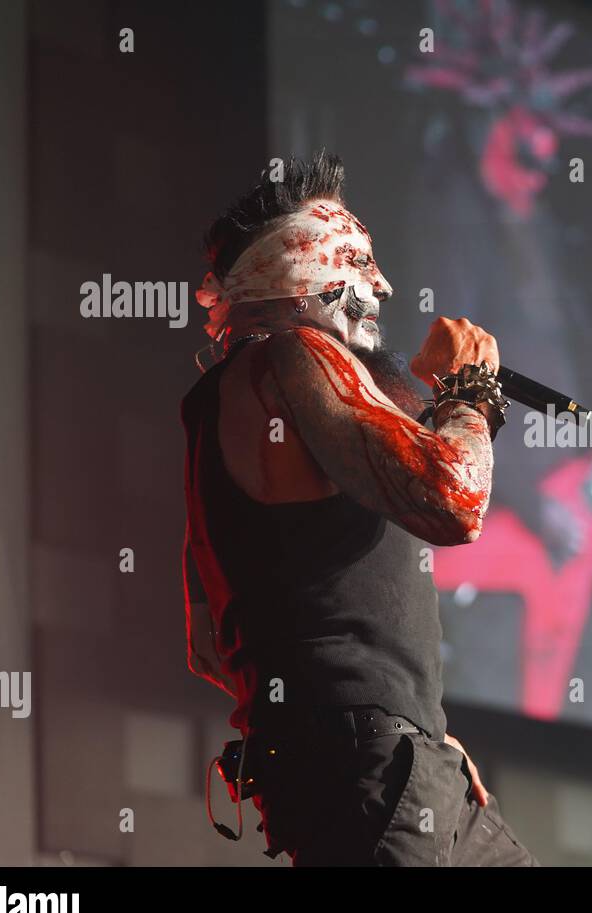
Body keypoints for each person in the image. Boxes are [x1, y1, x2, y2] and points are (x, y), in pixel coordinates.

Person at [181, 153, 537, 866]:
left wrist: (393, 722)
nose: (383, 285)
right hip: (373, 772)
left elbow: (210, 646)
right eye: (357, 260)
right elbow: (452, 498)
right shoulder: (293, 353)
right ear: (298, 275)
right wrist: (470, 388)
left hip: (388, 764)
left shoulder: (230, 408)